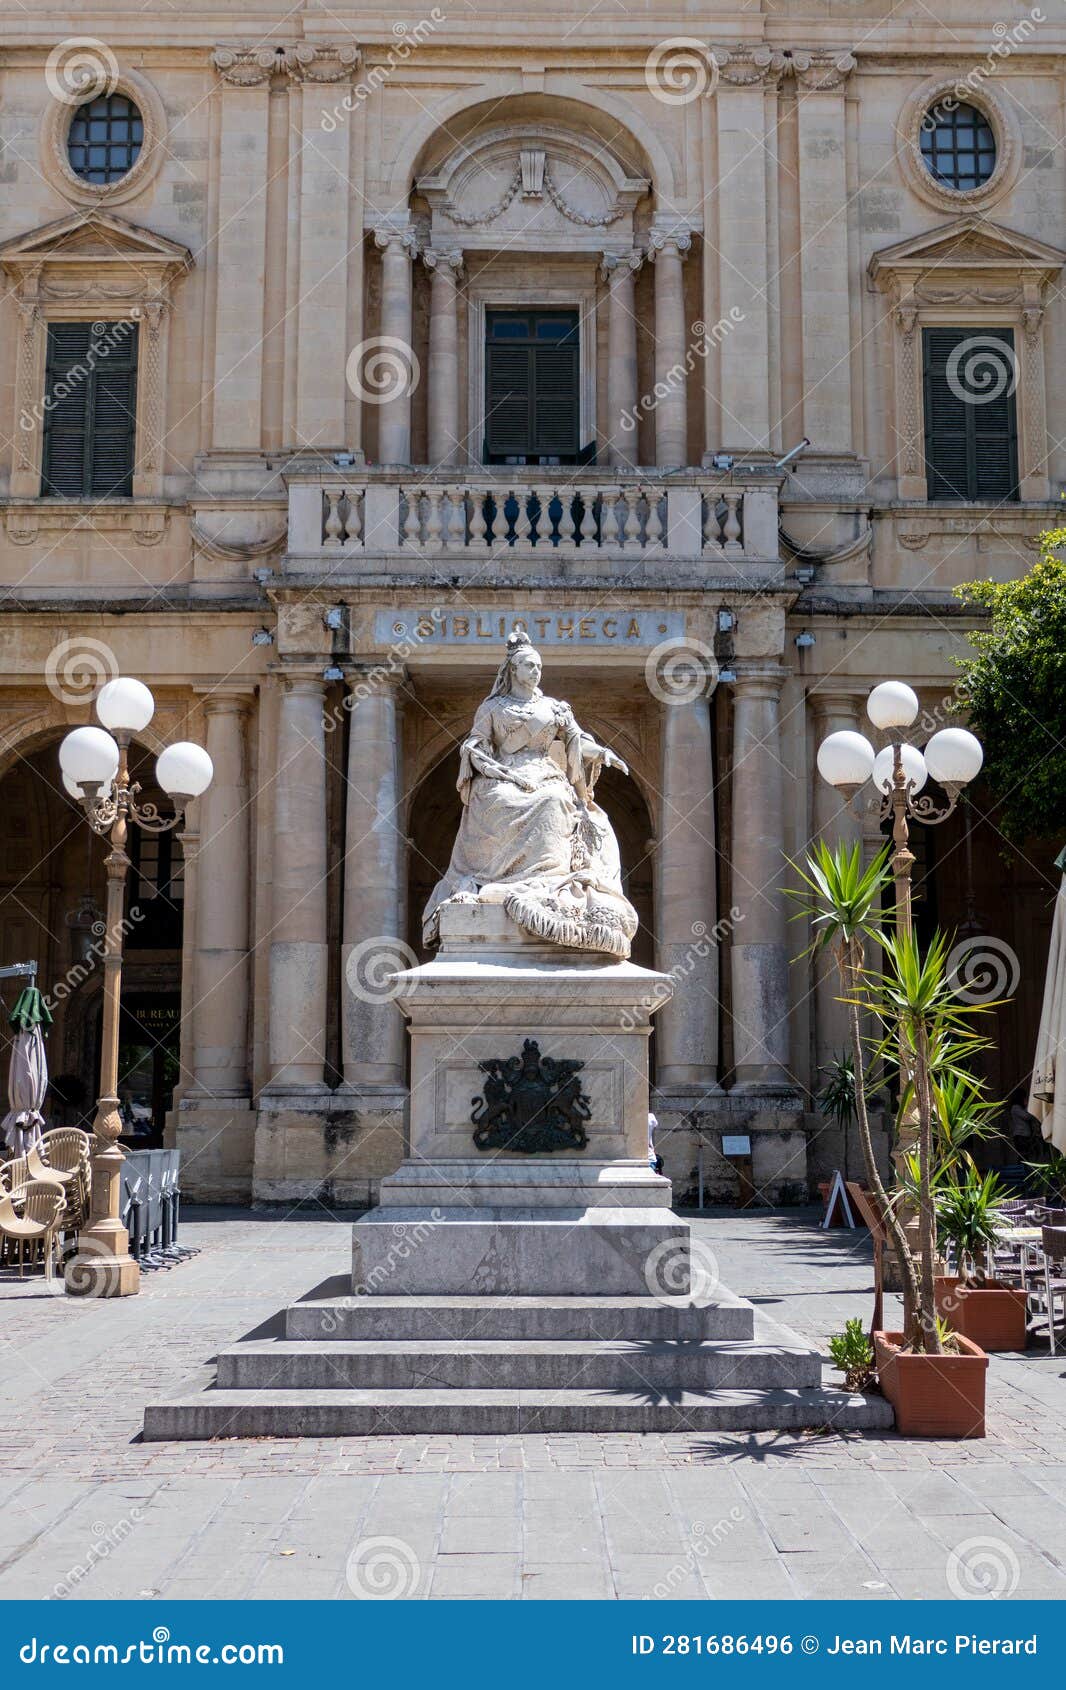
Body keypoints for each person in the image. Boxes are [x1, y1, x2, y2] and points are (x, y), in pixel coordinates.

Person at [423, 630, 639, 958]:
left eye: (538, 666)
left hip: (544, 772)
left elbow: (575, 739)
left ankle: (548, 880)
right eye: (528, 666)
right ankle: (497, 878)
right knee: (498, 798)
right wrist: (484, 760)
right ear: (513, 670)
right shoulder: (492, 708)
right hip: (504, 773)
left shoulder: (555, 708)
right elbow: (478, 743)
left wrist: (601, 753)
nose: (536, 671)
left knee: (554, 800)